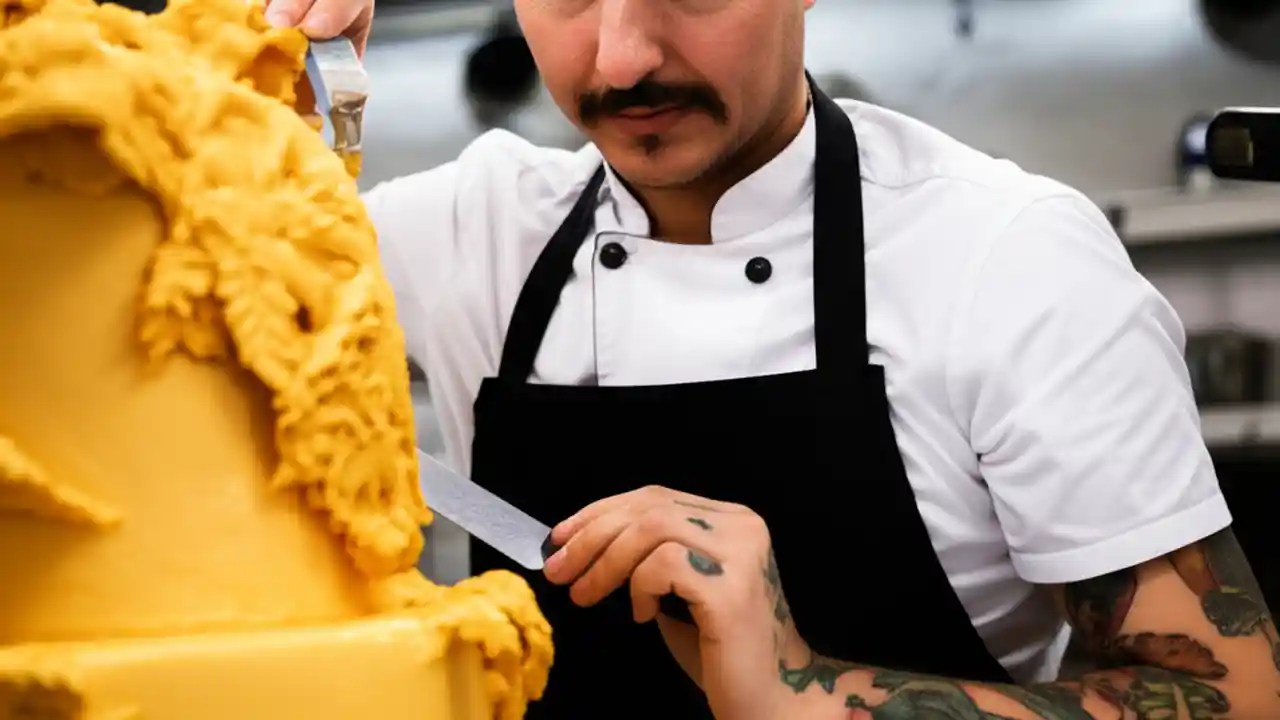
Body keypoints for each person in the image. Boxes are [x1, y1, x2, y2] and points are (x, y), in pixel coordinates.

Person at [267, 0, 1280, 718]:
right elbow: (144, 279)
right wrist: (239, 82)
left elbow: (1225, 698)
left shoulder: (1005, 255)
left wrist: (801, 689)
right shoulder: (470, 232)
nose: (619, 58)